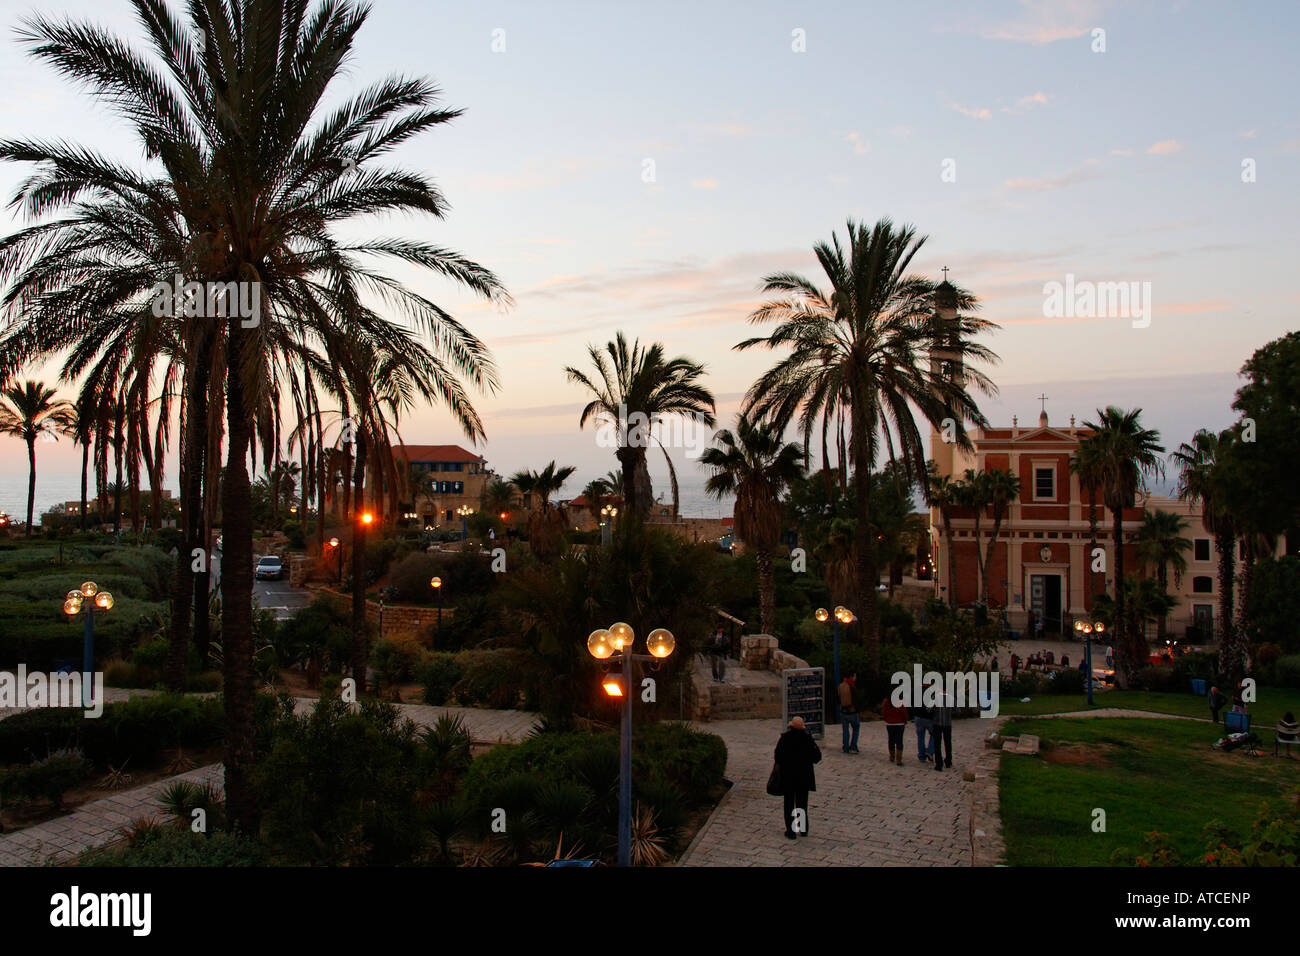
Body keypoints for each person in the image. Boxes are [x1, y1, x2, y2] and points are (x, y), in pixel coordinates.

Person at [774, 716, 822, 839]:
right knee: (801, 803)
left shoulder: (785, 739)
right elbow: (817, 757)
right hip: (804, 777)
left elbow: (778, 757)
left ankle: (791, 831)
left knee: (789, 803)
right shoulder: (807, 739)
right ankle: (803, 828)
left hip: (788, 776)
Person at [881, 695, 909, 765]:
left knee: (891, 740)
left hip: (890, 723)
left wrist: (886, 719)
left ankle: (892, 756)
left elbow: (884, 712)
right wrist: (905, 720)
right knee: (899, 741)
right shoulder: (900, 701)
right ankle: (899, 759)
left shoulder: (886, 701)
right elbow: (904, 712)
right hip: (899, 723)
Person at [932, 688, 954, 772]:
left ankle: (939, 764)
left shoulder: (935, 697)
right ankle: (948, 761)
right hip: (948, 724)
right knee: (948, 742)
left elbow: (929, 709)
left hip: (937, 723)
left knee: (937, 744)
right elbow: (957, 710)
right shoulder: (951, 698)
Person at [839, 672, 860, 754]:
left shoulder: (840, 686)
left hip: (843, 711)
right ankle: (853, 746)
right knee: (856, 728)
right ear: (851, 677)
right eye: (855, 676)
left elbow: (838, 698)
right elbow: (856, 700)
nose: (855, 678)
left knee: (845, 730)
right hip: (852, 711)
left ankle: (845, 747)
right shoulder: (851, 686)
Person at [914, 688, 935, 764]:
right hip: (929, 718)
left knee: (920, 737)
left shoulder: (917, 691)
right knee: (934, 735)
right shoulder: (933, 692)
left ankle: (922, 756)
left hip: (918, 717)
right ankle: (930, 751)